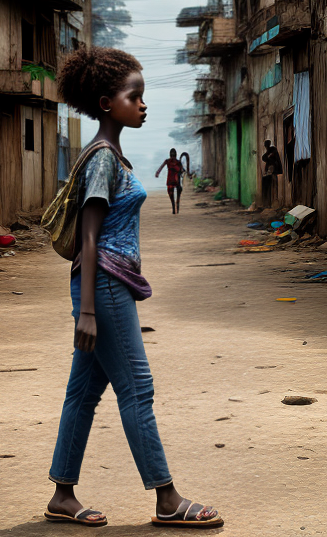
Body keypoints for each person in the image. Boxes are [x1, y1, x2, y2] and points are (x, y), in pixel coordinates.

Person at [46, 46, 222, 529]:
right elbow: (88, 233)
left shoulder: (110, 154)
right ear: (107, 103)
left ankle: (62, 495)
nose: (144, 105)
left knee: (82, 393)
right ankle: (167, 499)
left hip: (103, 285)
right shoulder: (103, 158)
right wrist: (85, 310)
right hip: (102, 288)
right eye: (135, 96)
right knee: (137, 388)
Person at [155, 148, 184, 215]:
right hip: (175, 180)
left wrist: (157, 172)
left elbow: (161, 167)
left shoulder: (171, 161)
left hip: (173, 180)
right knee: (175, 194)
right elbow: (182, 170)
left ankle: (175, 207)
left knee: (172, 194)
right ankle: (176, 206)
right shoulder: (176, 162)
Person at [261, 139, 284, 206]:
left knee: (274, 186)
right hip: (271, 172)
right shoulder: (269, 152)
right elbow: (264, 158)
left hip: (273, 171)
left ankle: (274, 202)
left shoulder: (273, 150)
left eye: (267, 145)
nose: (266, 147)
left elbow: (270, 157)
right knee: (270, 186)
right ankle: (269, 202)